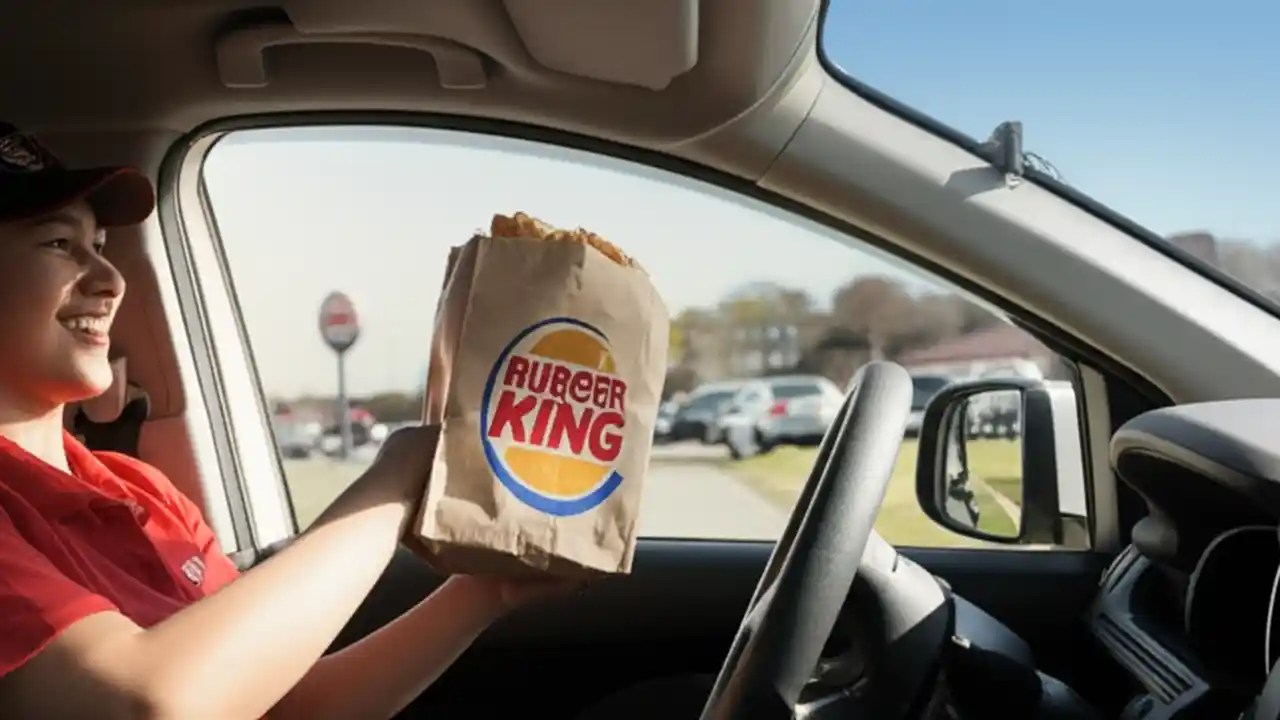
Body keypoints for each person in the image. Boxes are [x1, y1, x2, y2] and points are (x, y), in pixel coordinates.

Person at [0, 122, 573, 719]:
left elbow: (279, 706)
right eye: (58, 244)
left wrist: (485, 592)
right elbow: (146, 706)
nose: (110, 280)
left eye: (100, 245)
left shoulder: (144, 492)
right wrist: (397, 477)